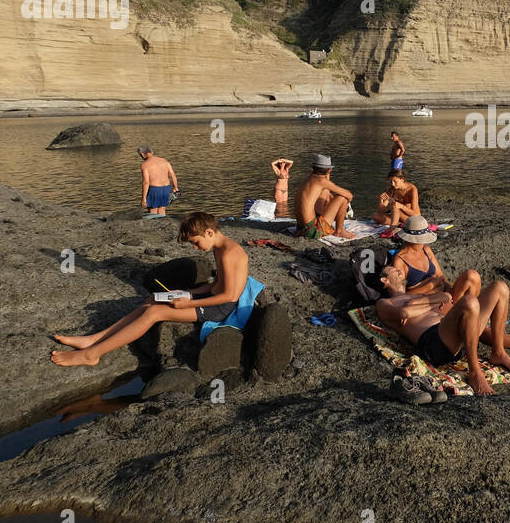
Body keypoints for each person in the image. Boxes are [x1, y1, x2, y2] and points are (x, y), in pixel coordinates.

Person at [52, 212, 248, 366]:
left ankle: (92, 355)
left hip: (220, 308)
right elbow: (216, 285)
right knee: (153, 301)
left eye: (195, 243)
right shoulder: (219, 248)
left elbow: (229, 295)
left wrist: (190, 303)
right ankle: (93, 340)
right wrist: (185, 294)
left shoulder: (229, 254)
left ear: (209, 233)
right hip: (212, 297)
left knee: (154, 313)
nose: (195, 248)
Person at [376, 268, 510, 396]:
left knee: (500, 288)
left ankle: (498, 352)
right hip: (433, 344)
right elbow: (403, 313)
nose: (399, 270)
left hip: (452, 333)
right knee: (470, 302)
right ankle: (475, 371)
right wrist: (433, 301)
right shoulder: (384, 303)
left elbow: (445, 298)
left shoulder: (415, 296)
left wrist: (421, 303)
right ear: (384, 280)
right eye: (392, 270)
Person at [387, 215, 478, 300]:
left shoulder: (426, 250)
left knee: (472, 275)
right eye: (421, 239)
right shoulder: (400, 261)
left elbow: (441, 277)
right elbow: (401, 297)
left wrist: (449, 290)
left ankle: (465, 309)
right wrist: (431, 285)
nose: (423, 242)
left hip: (444, 295)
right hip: (427, 302)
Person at [295, 153, 357, 239]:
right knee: (343, 198)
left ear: (313, 168)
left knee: (325, 192)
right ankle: (339, 231)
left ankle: (327, 221)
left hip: (300, 230)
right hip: (312, 231)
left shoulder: (307, 179)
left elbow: (326, 188)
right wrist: (341, 207)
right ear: (329, 170)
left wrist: (327, 174)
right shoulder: (321, 181)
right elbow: (349, 195)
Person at [139, 145, 179, 215]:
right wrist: (176, 187)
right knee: (162, 209)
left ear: (142, 154)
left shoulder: (145, 165)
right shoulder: (164, 161)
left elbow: (146, 182)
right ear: (152, 152)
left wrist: (143, 198)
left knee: (153, 211)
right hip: (166, 188)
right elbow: (173, 175)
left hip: (154, 189)